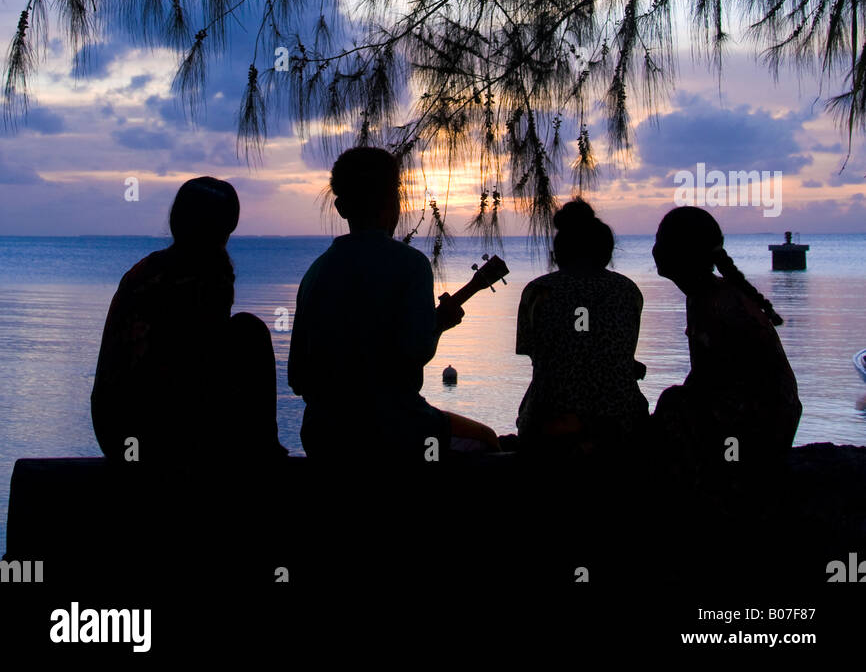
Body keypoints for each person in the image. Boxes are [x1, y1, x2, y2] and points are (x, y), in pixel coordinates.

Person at [287, 146, 500, 461]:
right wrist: (438, 326)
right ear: (394, 204)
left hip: (322, 436)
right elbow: (414, 353)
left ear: (340, 207)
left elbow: (297, 377)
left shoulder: (315, 273)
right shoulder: (410, 264)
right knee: (487, 441)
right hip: (396, 432)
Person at [91, 176, 283, 472]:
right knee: (250, 330)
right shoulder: (206, 275)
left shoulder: (147, 269)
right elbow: (200, 365)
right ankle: (265, 450)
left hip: (117, 434)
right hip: (162, 437)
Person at [651, 206, 802, 483]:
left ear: (680, 252)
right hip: (765, 420)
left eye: (660, 240)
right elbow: (706, 378)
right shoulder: (704, 295)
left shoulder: (717, 303)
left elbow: (707, 382)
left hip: (760, 427)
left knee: (671, 405)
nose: (654, 249)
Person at [515, 199, 648, 456]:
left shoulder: (538, 292)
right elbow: (619, 351)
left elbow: (539, 356)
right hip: (622, 420)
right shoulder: (627, 291)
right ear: (607, 254)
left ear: (557, 254)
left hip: (549, 421)